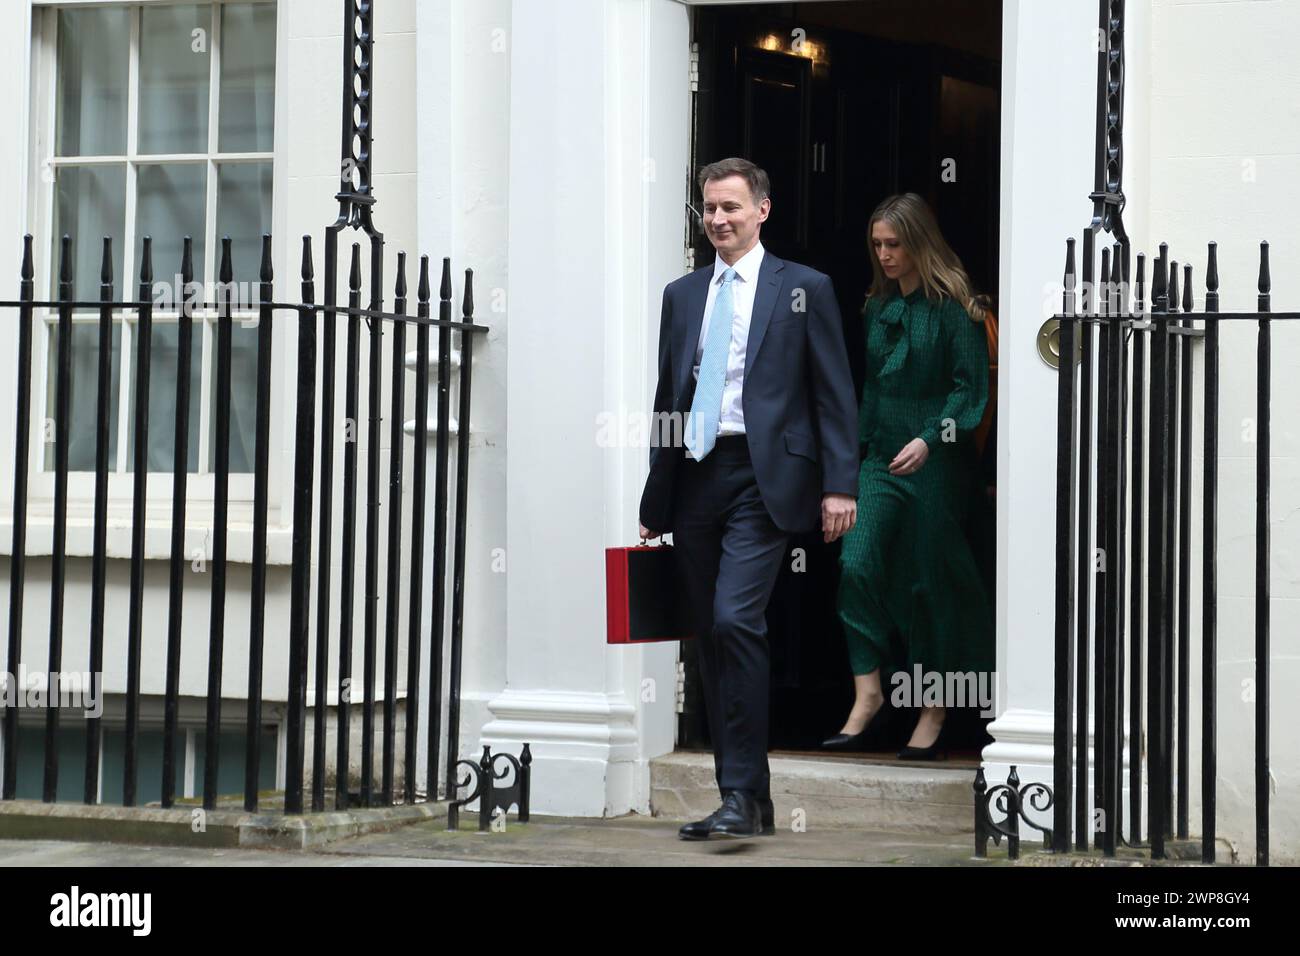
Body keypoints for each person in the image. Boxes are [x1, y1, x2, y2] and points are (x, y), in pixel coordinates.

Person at [638, 157, 859, 839]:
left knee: (736, 619)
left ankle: (739, 793)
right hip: (698, 474)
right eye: (709, 209)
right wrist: (656, 500)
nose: (719, 220)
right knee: (711, 634)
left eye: (731, 207)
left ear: (762, 209)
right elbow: (667, 398)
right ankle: (749, 801)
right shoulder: (682, 294)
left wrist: (839, 484)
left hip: (766, 478)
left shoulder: (805, 289)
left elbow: (832, 392)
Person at [822, 193, 993, 760]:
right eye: (877, 245)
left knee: (929, 581)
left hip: (938, 461)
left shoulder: (957, 307)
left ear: (920, 242)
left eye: (894, 244)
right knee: (857, 562)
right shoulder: (877, 307)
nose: (885, 254)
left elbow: (969, 387)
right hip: (879, 459)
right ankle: (868, 691)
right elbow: (870, 391)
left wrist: (931, 437)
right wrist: (848, 468)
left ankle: (933, 708)